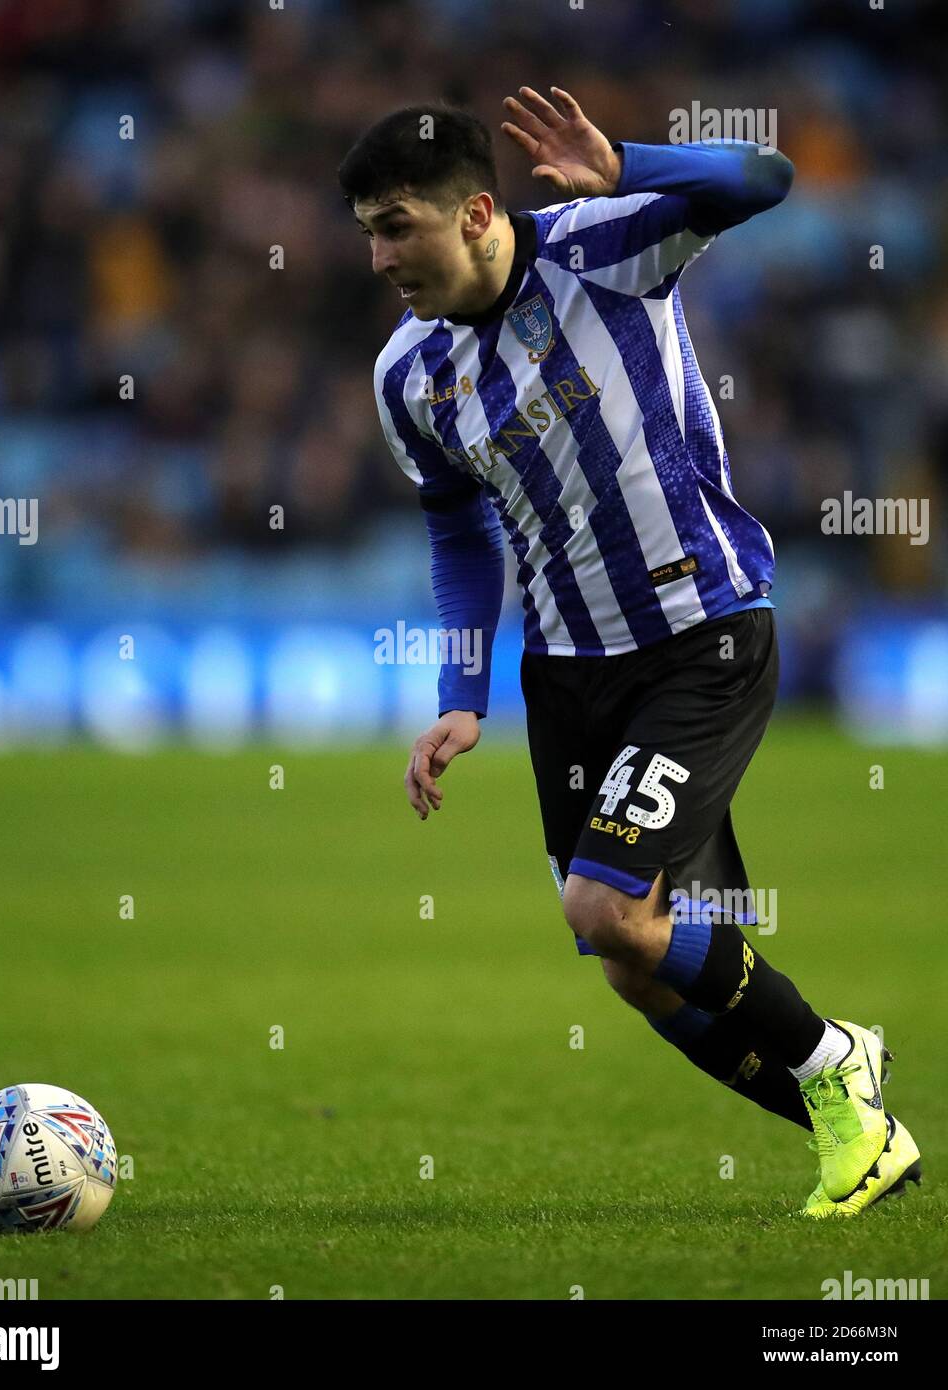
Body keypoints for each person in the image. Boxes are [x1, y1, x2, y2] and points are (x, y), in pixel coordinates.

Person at [338, 87, 920, 1216]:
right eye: (366, 229)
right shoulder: (406, 377)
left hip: (699, 631)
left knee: (604, 908)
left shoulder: (603, 246)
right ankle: (855, 1124)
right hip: (565, 673)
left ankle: (834, 1058)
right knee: (633, 963)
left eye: (395, 222)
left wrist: (630, 164)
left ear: (472, 212)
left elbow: (767, 180)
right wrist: (460, 691)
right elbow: (455, 527)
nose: (376, 255)